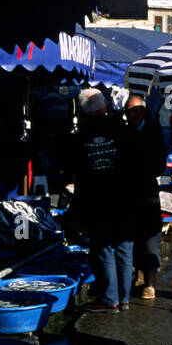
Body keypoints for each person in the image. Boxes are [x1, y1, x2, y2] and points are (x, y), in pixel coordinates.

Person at [66, 88, 137, 312]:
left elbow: (81, 176)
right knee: (124, 248)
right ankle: (124, 298)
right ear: (104, 106)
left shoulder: (81, 136)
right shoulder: (123, 129)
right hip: (125, 198)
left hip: (98, 201)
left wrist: (77, 213)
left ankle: (109, 299)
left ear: (83, 111)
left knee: (104, 248)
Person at [123, 96, 165, 300]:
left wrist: (141, 168)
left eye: (135, 110)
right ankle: (136, 275)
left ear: (143, 112)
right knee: (130, 237)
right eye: (128, 111)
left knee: (149, 240)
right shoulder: (124, 133)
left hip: (147, 194)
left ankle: (149, 282)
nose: (131, 115)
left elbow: (160, 164)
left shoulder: (153, 133)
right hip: (127, 194)